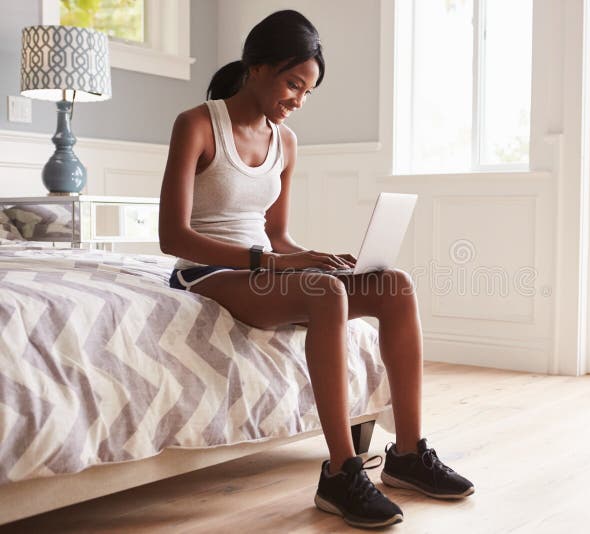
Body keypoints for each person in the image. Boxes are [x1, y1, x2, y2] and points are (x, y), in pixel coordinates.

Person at [158, 9, 473, 529]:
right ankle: (342, 473)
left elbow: (277, 233)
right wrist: (278, 263)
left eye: (307, 92)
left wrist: (313, 257)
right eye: (292, 84)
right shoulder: (196, 124)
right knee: (326, 294)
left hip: (267, 266)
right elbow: (173, 237)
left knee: (395, 285)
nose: (298, 101)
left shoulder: (286, 143)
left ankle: (409, 455)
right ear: (256, 66)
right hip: (207, 271)